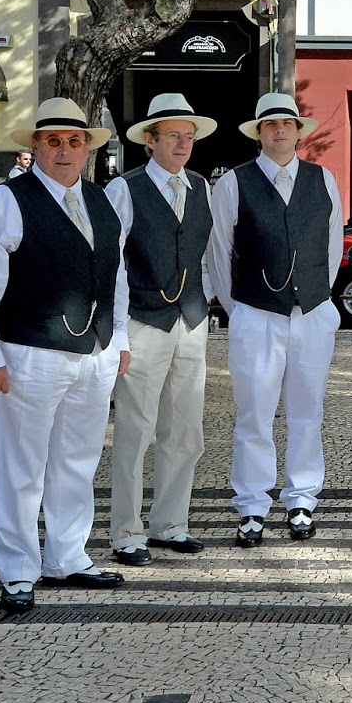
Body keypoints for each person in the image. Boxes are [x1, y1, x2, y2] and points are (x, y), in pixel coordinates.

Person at [0, 98, 132, 614]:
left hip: (94, 353)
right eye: (52, 140)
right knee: (21, 466)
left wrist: (119, 340)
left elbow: (115, 279)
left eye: (74, 141)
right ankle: (16, 570)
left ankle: (68, 557)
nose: (64, 150)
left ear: (88, 149)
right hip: (28, 353)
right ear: (34, 147)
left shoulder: (102, 201)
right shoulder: (5, 203)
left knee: (77, 462)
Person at [207, 92, 343, 548]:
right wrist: (239, 309)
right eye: (271, 125)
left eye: (287, 124)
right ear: (259, 133)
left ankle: (302, 497)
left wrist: (315, 299)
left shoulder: (324, 179)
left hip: (312, 314)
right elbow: (220, 255)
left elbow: (329, 249)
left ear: (299, 132)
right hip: (256, 314)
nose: (280, 131)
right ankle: (251, 505)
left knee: (308, 412)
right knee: (254, 414)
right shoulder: (232, 184)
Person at [103, 93, 217, 566]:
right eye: (173, 135)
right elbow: (112, 267)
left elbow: (205, 255)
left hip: (190, 323)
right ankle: (126, 532)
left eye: (188, 136)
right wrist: (119, 335)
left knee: (186, 430)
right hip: (143, 322)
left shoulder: (200, 187)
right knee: (135, 429)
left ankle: (171, 523)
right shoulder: (124, 189)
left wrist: (205, 304)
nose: (183, 143)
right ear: (150, 141)